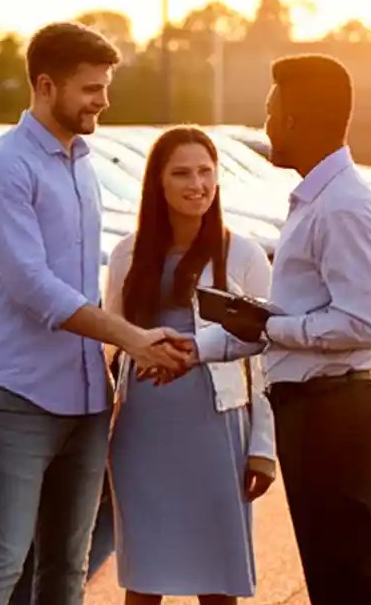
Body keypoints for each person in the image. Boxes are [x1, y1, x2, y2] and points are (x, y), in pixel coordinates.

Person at [0, 21, 192, 605]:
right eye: (91, 88)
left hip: (87, 396)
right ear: (45, 85)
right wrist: (131, 338)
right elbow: (34, 287)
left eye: (104, 86)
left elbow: (88, 278)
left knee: (68, 566)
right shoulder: (2, 168)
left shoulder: (80, 162)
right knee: (1, 562)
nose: (103, 101)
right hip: (18, 394)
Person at [191, 54, 371, 605]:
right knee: (331, 579)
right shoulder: (318, 199)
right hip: (314, 412)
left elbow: (368, 322)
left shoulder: (344, 206)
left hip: (337, 414)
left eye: (270, 112)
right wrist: (193, 348)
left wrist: (280, 325)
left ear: (296, 121)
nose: (265, 126)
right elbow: (284, 321)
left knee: (346, 580)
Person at [104, 126, 278, 605]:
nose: (196, 183)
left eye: (205, 171)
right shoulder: (127, 254)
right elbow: (111, 341)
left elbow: (267, 353)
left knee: (217, 580)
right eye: (181, 173)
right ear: (157, 184)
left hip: (216, 427)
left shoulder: (241, 253)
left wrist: (263, 446)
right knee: (144, 577)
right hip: (143, 430)